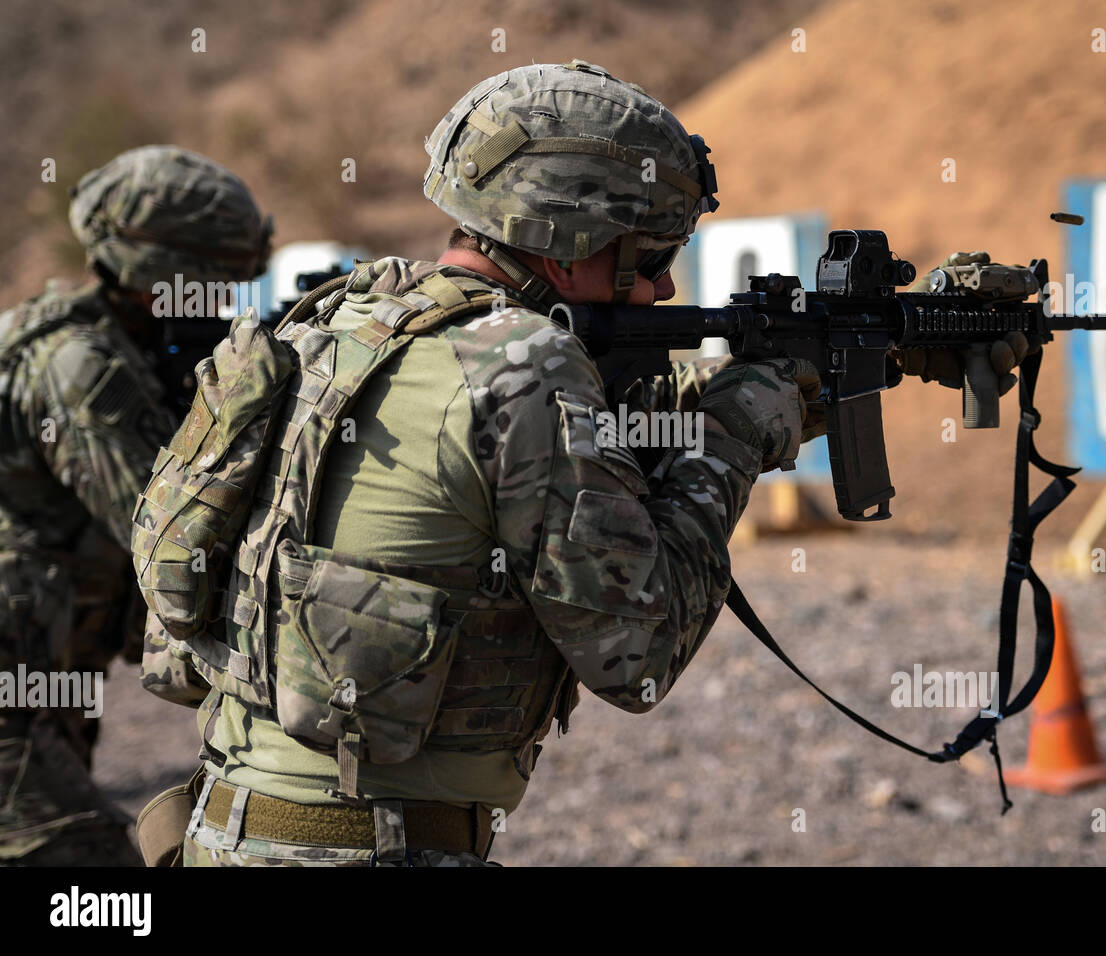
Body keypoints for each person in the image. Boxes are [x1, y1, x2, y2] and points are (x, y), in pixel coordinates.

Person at [150, 61, 1027, 867]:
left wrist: (817, 378)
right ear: (568, 237)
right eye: (650, 258)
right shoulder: (524, 368)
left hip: (227, 830)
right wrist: (737, 436)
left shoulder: (335, 323)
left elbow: (562, 449)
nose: (664, 291)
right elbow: (637, 653)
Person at [0, 145, 272, 865]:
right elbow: (166, 531)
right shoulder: (81, 367)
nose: (224, 300)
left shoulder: (104, 339)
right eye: (216, 281)